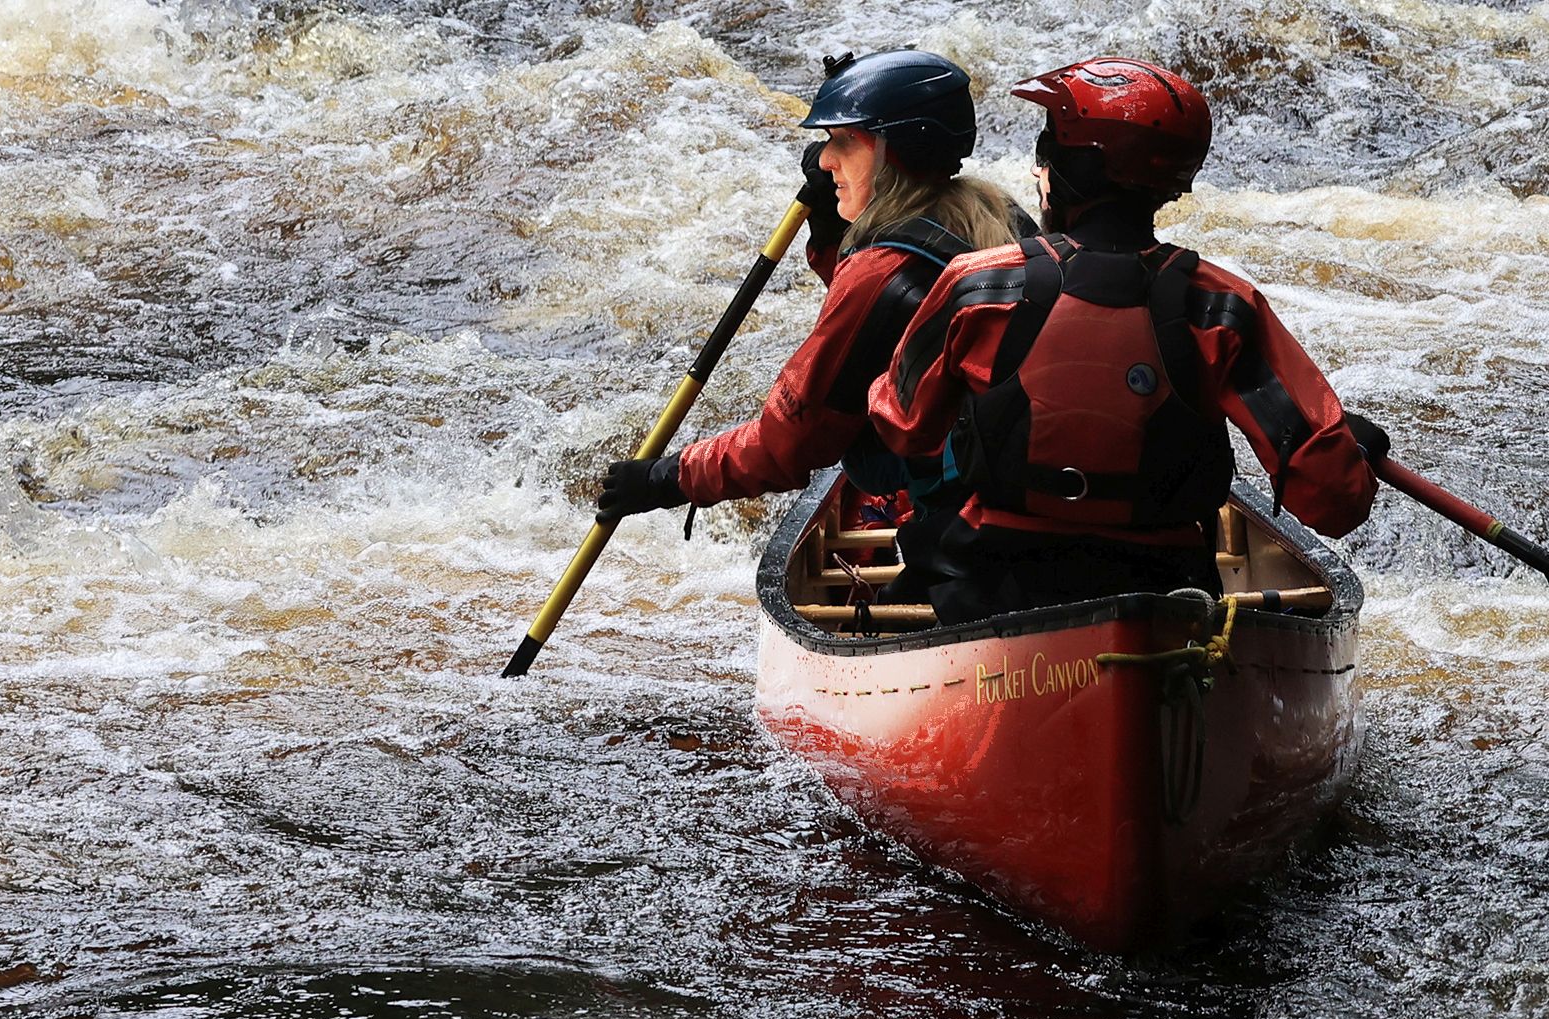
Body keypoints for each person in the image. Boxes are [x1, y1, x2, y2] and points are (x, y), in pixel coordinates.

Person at [869, 56, 1385, 623]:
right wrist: (1349, 451)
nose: (1039, 170)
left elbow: (903, 424)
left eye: (1048, 151)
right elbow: (1333, 502)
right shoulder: (1224, 306)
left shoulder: (978, 283)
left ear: (1073, 169)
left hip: (991, 581)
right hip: (1164, 589)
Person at [593, 49, 1036, 545]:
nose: (826, 160)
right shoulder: (998, 215)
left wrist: (668, 478)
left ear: (898, 152)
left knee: (865, 446)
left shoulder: (880, 273)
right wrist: (831, 236)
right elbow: (891, 328)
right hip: (1023, 479)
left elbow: (791, 441)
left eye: (844, 141)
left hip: (966, 519)